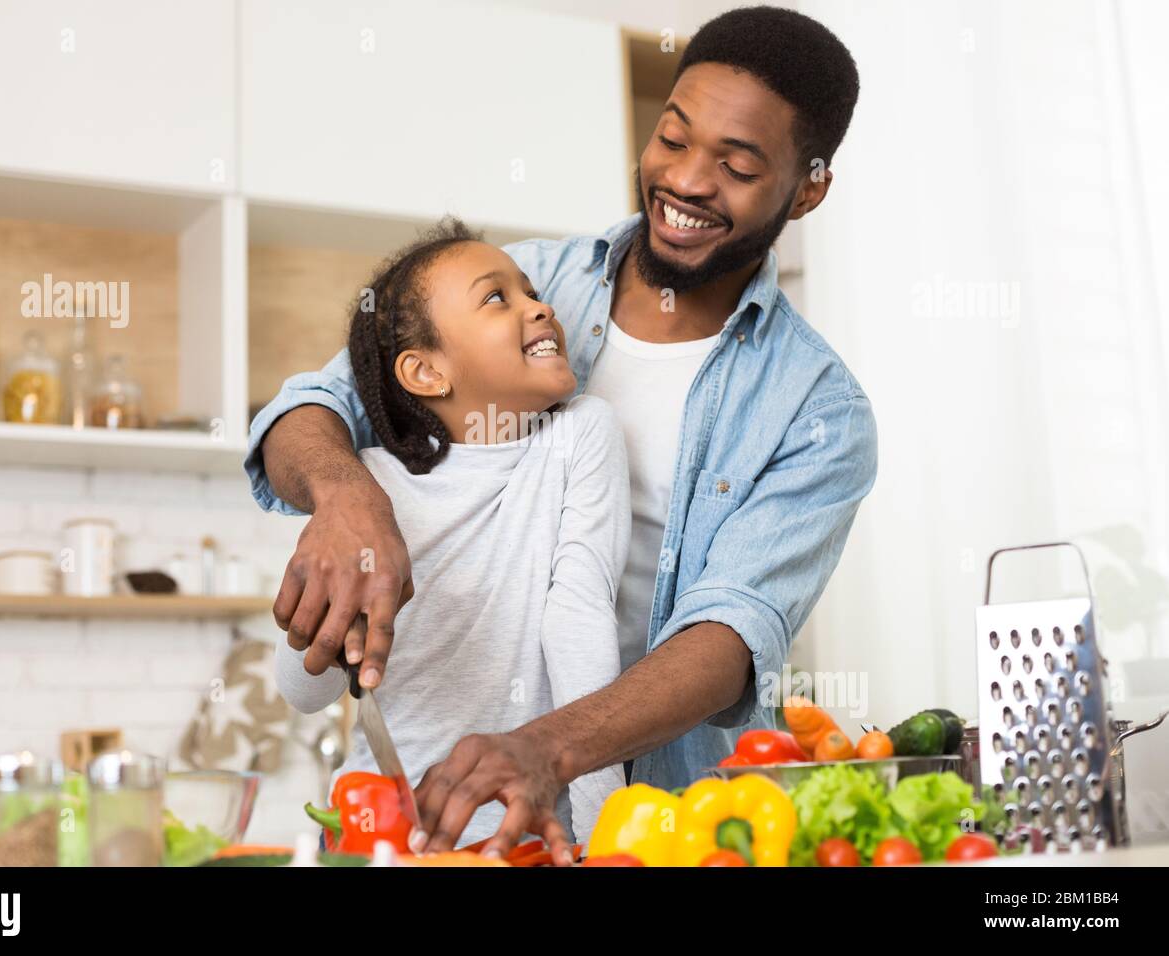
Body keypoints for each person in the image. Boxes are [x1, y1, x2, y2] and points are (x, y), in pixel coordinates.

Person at [247, 6, 878, 864]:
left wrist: (548, 749)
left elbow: (729, 636)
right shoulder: (530, 280)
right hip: (424, 812)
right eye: (672, 138)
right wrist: (344, 493)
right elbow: (310, 409)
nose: (685, 181)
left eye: (734, 165)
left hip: (662, 823)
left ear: (806, 189)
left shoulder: (819, 410)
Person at [273, 219, 630, 849]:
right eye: (499, 298)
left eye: (531, 292)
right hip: (374, 834)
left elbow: (579, 620)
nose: (540, 307)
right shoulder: (369, 490)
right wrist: (331, 624)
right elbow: (303, 693)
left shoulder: (580, 437)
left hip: (522, 840)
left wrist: (609, 840)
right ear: (426, 372)